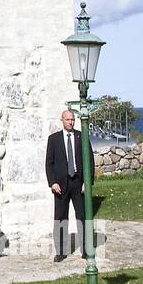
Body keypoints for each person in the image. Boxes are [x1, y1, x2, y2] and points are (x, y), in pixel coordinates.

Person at [45, 109, 92, 262]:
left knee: (82, 217)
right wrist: (52, 183)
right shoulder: (53, 139)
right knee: (60, 218)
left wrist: (88, 182)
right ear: (62, 120)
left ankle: (86, 250)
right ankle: (61, 251)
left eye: (72, 119)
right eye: (68, 119)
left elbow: (90, 160)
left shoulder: (81, 137)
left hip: (78, 184)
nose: (71, 122)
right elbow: (49, 163)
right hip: (61, 185)